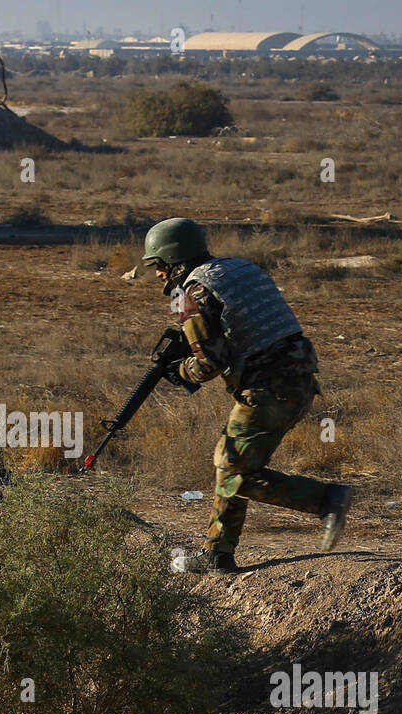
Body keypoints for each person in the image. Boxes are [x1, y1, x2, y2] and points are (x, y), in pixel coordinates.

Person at [142, 217, 353, 573]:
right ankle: (219, 553)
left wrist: (178, 371)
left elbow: (208, 364)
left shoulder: (192, 294)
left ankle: (325, 499)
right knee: (232, 461)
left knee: (233, 472)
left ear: (174, 261)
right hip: (299, 380)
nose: (159, 276)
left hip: (267, 389)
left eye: (159, 266)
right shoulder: (235, 268)